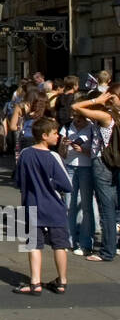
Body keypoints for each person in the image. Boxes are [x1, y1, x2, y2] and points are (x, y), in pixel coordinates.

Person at [13, 117, 73, 295]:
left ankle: (35, 282)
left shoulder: (25, 154)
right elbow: (67, 185)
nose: (58, 137)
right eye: (55, 133)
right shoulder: (53, 156)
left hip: (32, 204)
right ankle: (62, 281)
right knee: (59, 245)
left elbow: (19, 180)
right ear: (45, 136)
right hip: (53, 206)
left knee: (34, 244)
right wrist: (51, 183)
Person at [70, 84, 119, 262]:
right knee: (111, 207)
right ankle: (111, 246)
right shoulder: (116, 115)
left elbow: (76, 107)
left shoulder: (106, 116)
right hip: (111, 163)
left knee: (106, 209)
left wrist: (96, 100)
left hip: (101, 163)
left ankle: (107, 251)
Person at [63, 96, 97, 256]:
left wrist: (83, 150)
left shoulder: (92, 127)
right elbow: (61, 152)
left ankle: (85, 242)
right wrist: (64, 145)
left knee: (85, 206)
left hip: (86, 168)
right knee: (69, 204)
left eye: (80, 119)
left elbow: (96, 151)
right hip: (69, 166)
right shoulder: (67, 126)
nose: (76, 121)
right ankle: (69, 239)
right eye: (74, 118)